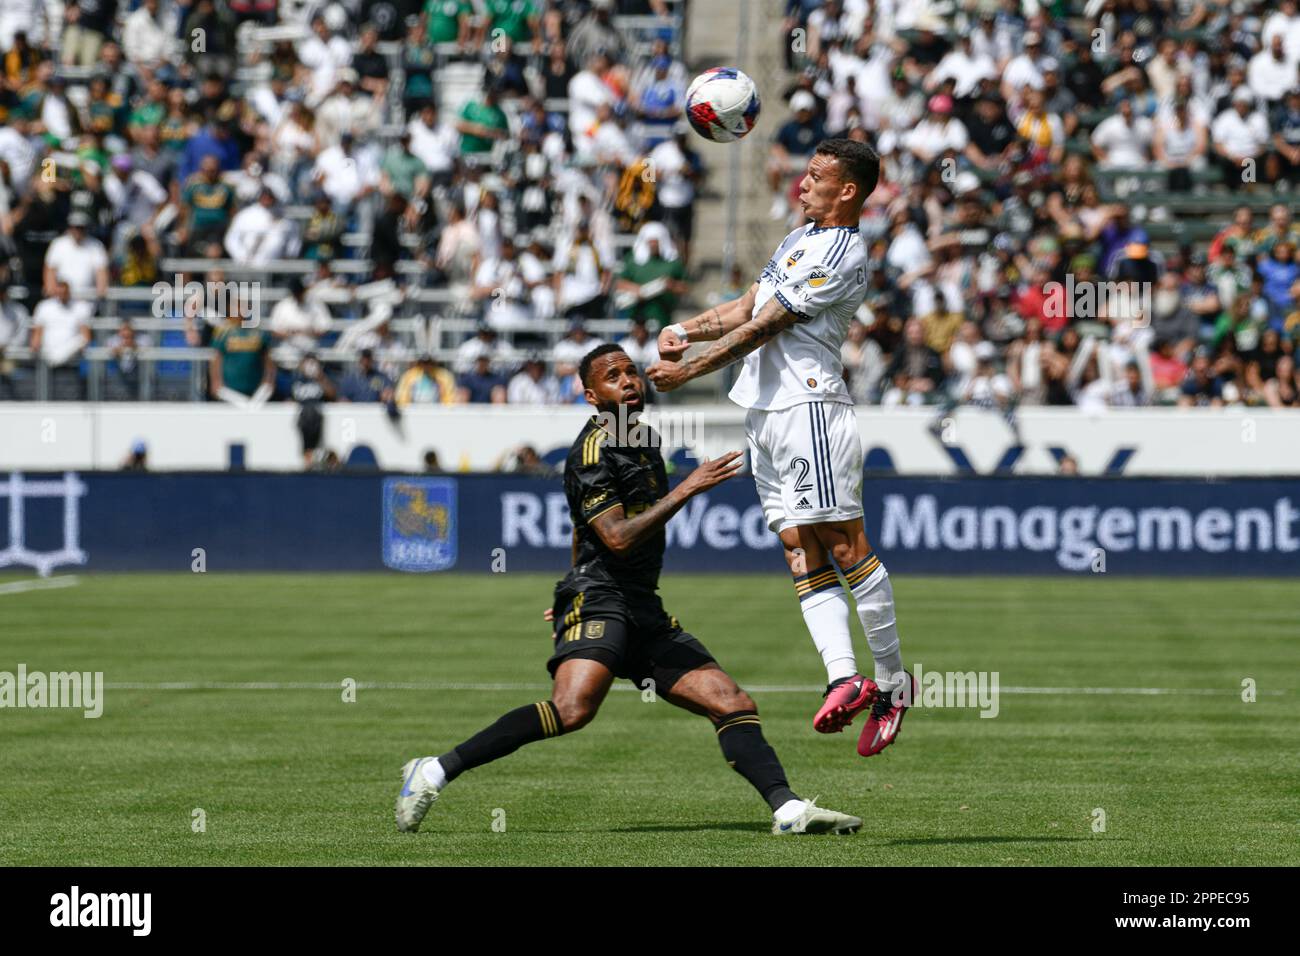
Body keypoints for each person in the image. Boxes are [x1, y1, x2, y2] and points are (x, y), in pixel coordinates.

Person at [396, 344, 863, 837]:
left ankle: (787, 811)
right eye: (613, 376)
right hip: (602, 597)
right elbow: (615, 536)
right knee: (573, 709)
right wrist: (686, 489)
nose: (629, 381)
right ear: (591, 394)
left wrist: (566, 589)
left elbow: (584, 528)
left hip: (640, 604)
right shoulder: (592, 451)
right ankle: (432, 771)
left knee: (733, 703)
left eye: (632, 372)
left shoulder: (642, 438)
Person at [647, 139, 915, 758]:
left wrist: (690, 372)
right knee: (799, 548)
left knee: (846, 544)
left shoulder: (845, 253)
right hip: (766, 413)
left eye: (816, 177)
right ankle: (845, 678)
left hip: (810, 408)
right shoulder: (797, 241)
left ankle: (895, 684)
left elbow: (769, 325)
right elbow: (747, 305)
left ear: (847, 190)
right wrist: (684, 330)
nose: (801, 185)